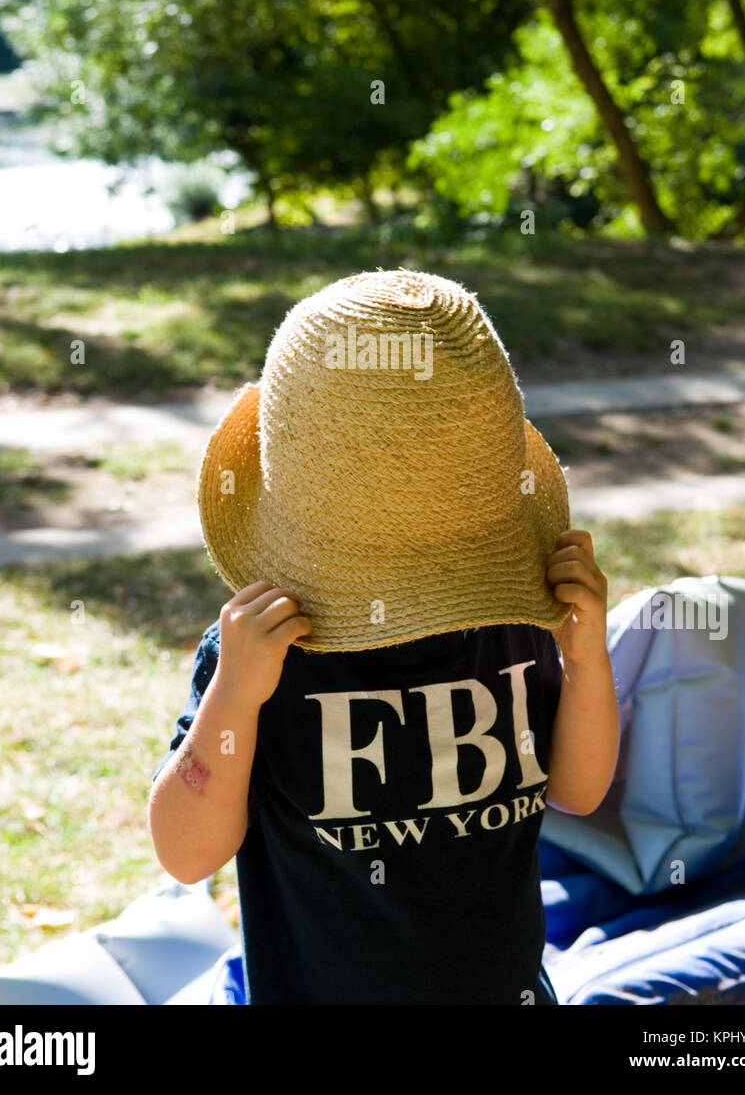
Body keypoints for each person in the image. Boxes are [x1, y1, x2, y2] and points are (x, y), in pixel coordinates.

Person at [148, 268, 619, 1005]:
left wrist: (586, 662)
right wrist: (235, 697)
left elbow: (579, 791)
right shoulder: (272, 654)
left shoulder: (513, 623)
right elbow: (186, 854)